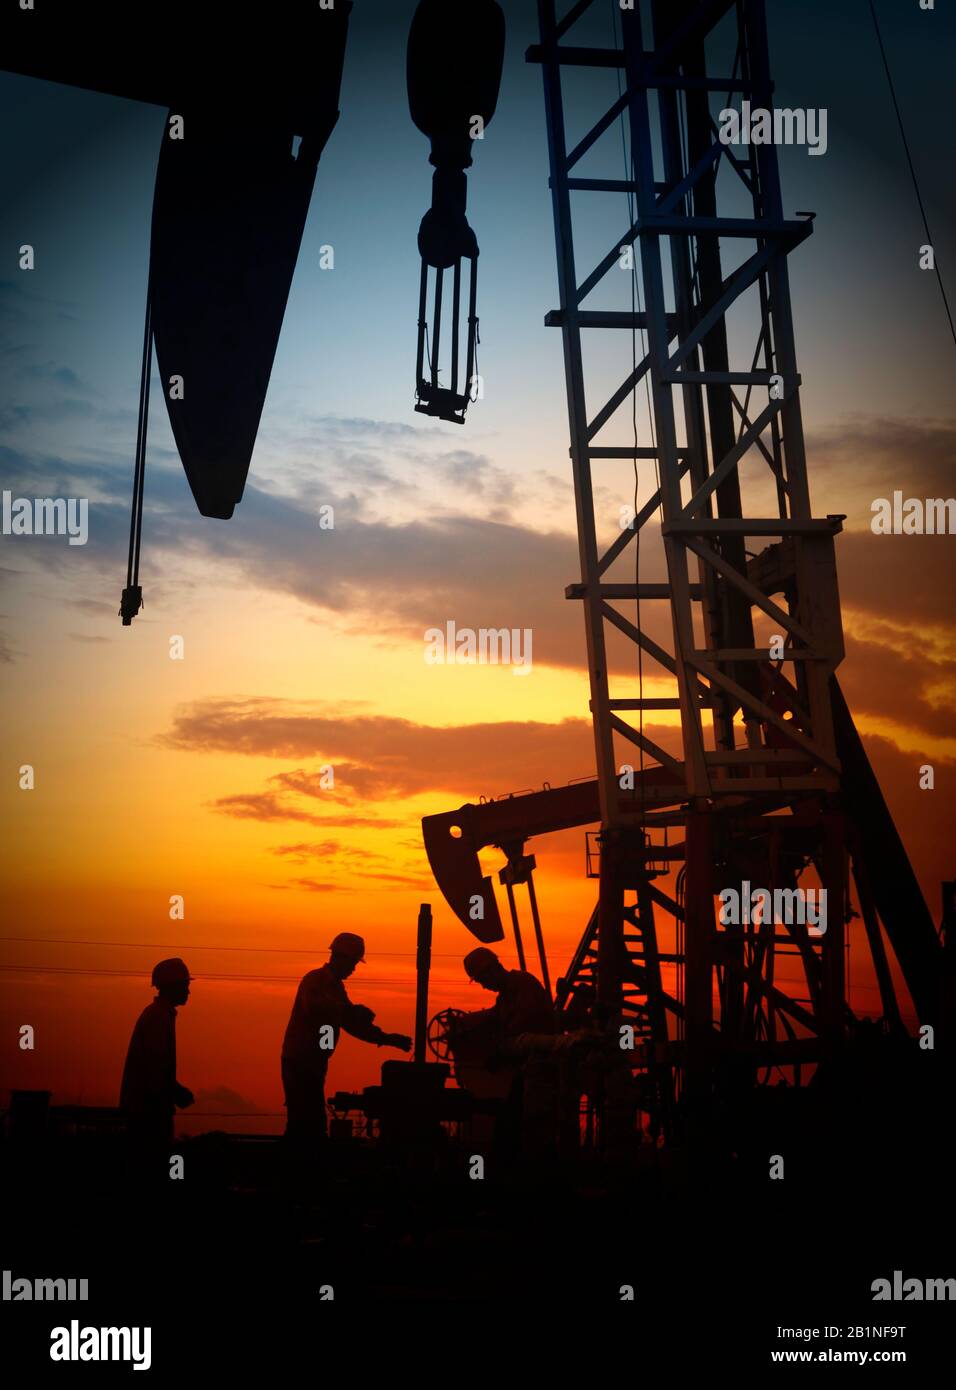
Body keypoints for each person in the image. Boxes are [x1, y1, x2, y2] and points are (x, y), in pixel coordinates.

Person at [281, 932, 411, 1152]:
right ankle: (296, 1170)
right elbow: (315, 1007)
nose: (354, 968)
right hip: (299, 1060)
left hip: (313, 1062)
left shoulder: (335, 989)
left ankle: (298, 1165)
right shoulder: (315, 980)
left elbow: (352, 1024)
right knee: (305, 1121)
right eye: (352, 963)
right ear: (339, 958)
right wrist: (350, 1010)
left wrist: (386, 1038)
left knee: (307, 1121)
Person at [120, 957, 195, 1156]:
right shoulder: (158, 1018)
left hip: (150, 1111)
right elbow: (156, 1069)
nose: (188, 991)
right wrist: (177, 1092)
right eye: (185, 985)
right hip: (147, 1114)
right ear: (173, 987)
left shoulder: (161, 1015)